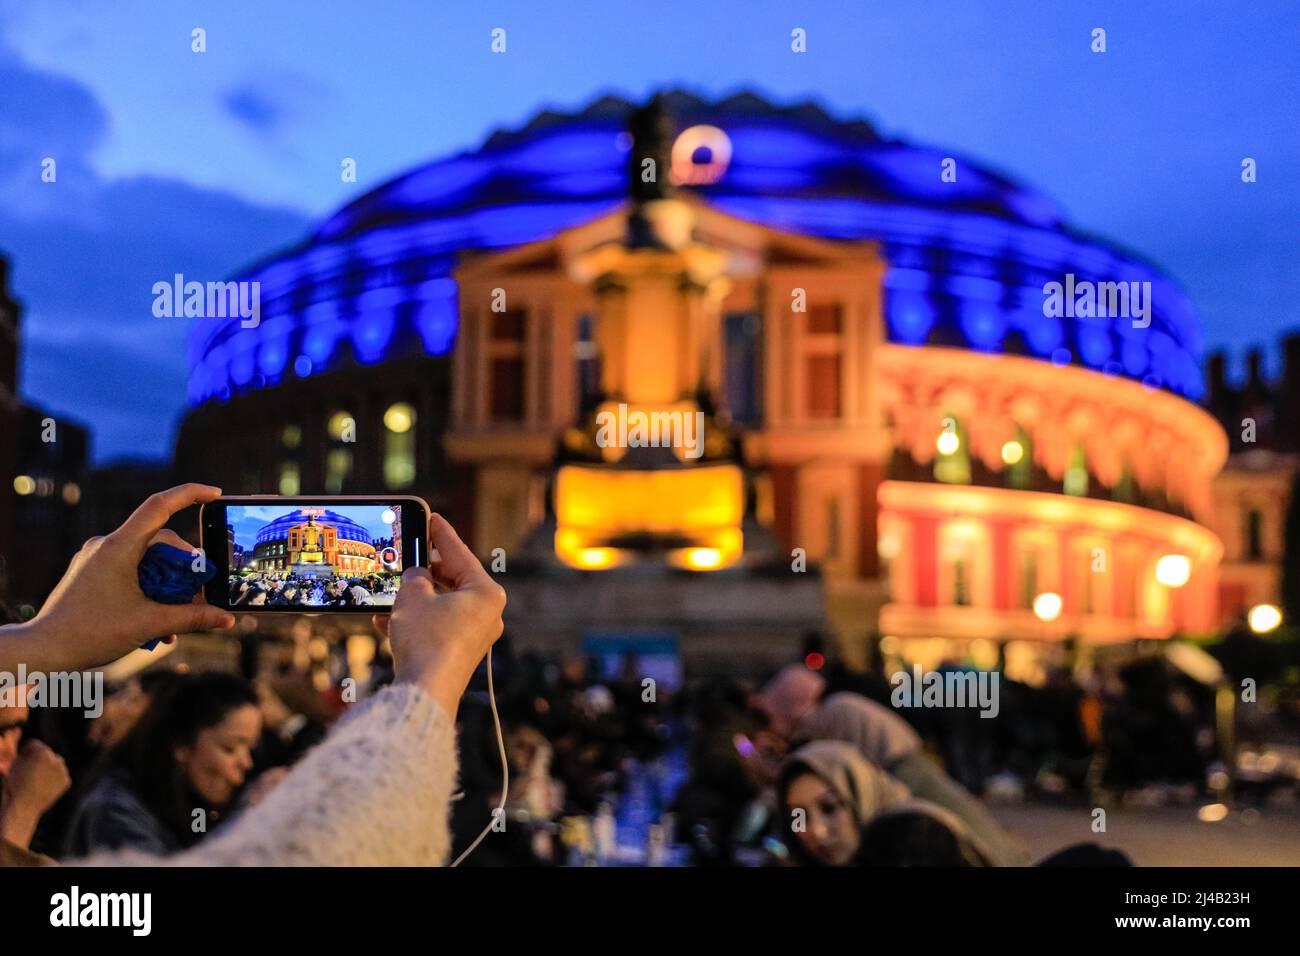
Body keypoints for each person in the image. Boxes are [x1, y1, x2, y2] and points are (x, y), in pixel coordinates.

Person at [0, 483, 506, 866]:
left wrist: (38, 644)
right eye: (4, 726)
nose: (16, 747)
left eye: (15, 724)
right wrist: (433, 680)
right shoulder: (112, 813)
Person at [758, 664, 1028, 865]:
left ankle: (1002, 857)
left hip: (899, 768)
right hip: (905, 762)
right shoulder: (837, 706)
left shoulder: (826, 715)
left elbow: (818, 768)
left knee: (944, 825)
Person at [64, 672, 262, 856]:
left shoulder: (195, 808)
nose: (246, 763)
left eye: (250, 749)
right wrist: (249, 818)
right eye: (230, 748)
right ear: (182, 746)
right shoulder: (116, 810)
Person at [776, 740, 990, 867]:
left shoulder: (915, 835)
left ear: (860, 794)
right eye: (799, 816)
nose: (817, 832)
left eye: (830, 807)